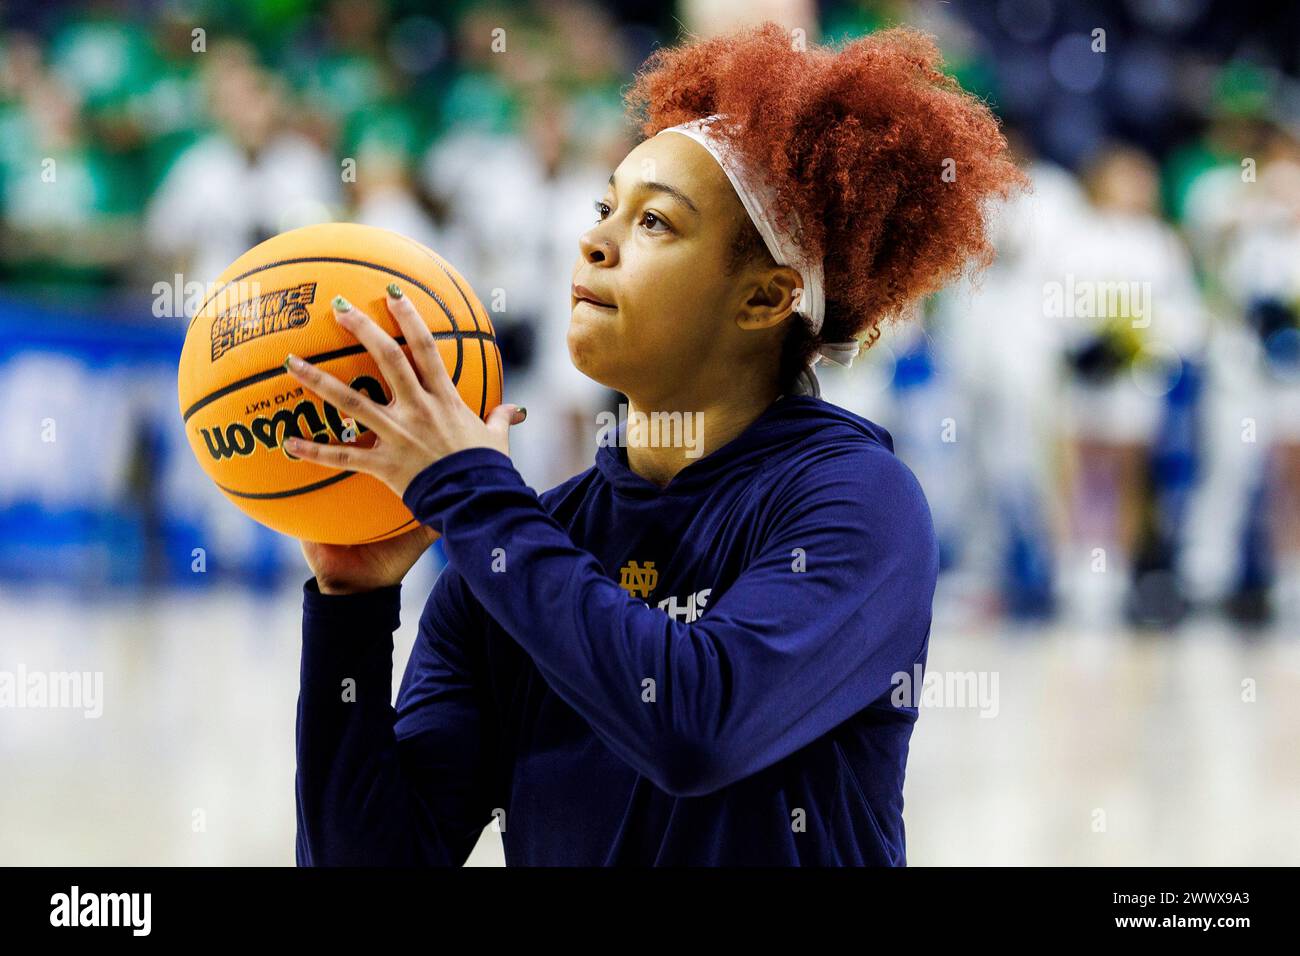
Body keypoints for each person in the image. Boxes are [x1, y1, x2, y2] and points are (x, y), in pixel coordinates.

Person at [287, 23, 1024, 866]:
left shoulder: (860, 502)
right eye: (607, 208)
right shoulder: (517, 547)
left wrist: (469, 494)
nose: (594, 241)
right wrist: (351, 607)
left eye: (656, 224)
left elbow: (694, 731)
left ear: (765, 298)